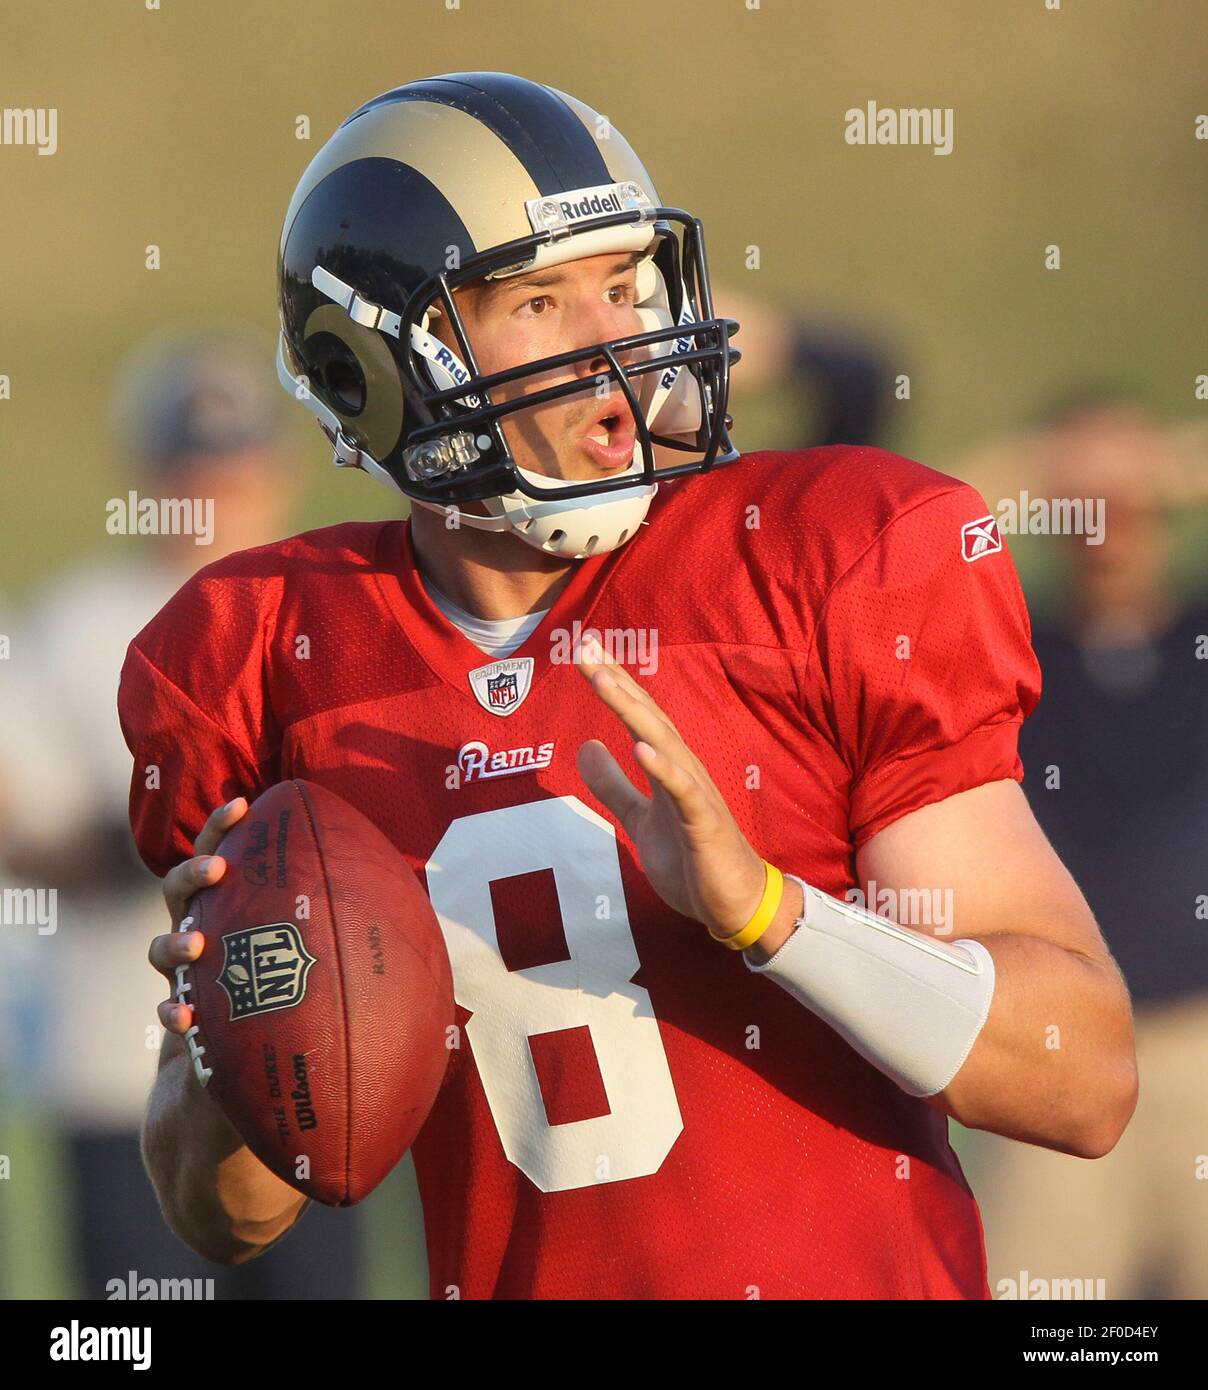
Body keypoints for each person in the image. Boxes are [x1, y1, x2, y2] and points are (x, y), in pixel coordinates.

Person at [119, 72, 1137, 1300]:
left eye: (621, 284)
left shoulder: (816, 562)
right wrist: (251, 1011)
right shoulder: (264, 656)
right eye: (539, 301)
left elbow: (1081, 1079)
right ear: (377, 369)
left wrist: (771, 915)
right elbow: (225, 1218)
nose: (613, 341)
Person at [4, 330, 362, 1298]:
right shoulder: (77, 625)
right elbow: (25, 835)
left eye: (234, 469)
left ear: (279, 472)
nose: (214, 497)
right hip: (122, 1065)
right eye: (192, 470)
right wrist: (182, 837)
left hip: (314, 1056)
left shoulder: (328, 617)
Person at [961, 399, 1208, 1298]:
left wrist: (1162, 463)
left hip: (1201, 1044)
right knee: (1052, 1318)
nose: (1111, 524)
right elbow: (897, 550)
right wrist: (1045, 476)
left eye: (1132, 501)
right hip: (1063, 1052)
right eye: (1087, 506)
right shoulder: (1018, 654)